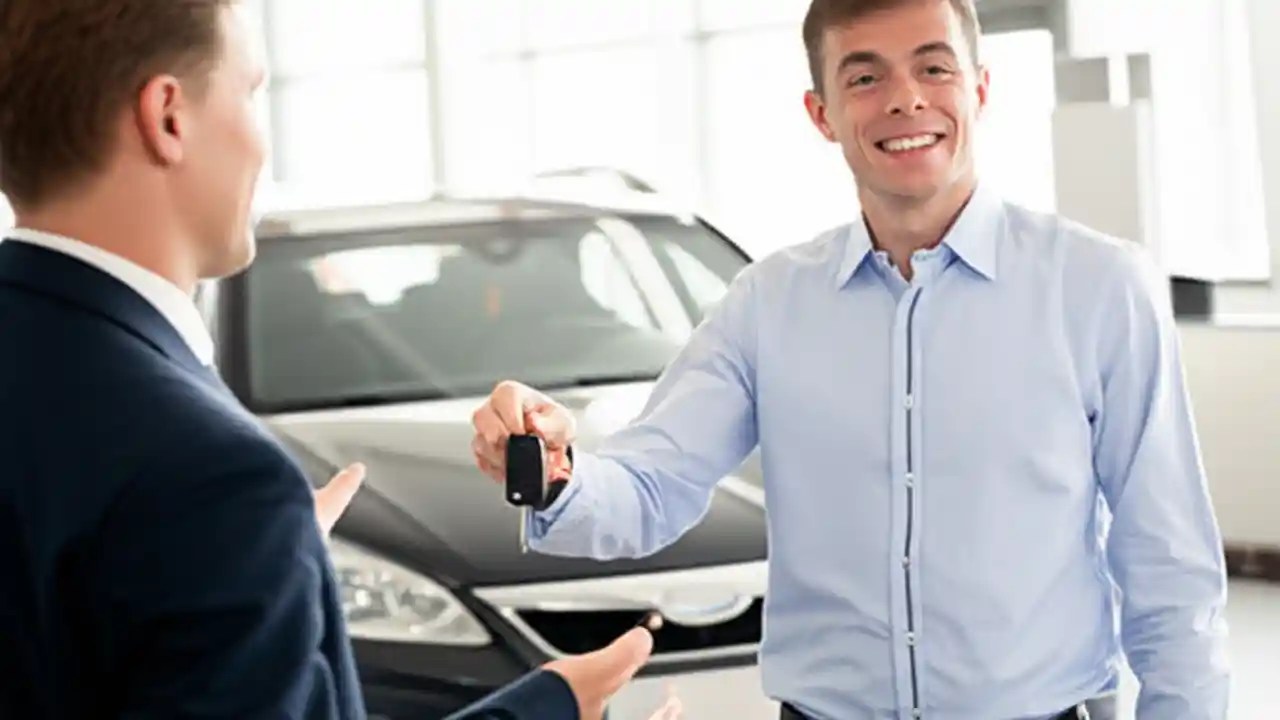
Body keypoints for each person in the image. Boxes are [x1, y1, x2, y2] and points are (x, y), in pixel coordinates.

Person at [471, 0, 1232, 718]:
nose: (905, 99)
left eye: (934, 68)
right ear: (822, 113)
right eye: (865, 77)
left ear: (981, 88)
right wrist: (557, 470)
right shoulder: (767, 304)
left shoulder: (1099, 287)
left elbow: (1170, 567)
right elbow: (648, 489)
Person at [0, 1, 677, 719]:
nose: (264, 146)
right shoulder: (211, 480)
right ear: (169, 116)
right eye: (250, 94)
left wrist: (269, 570)